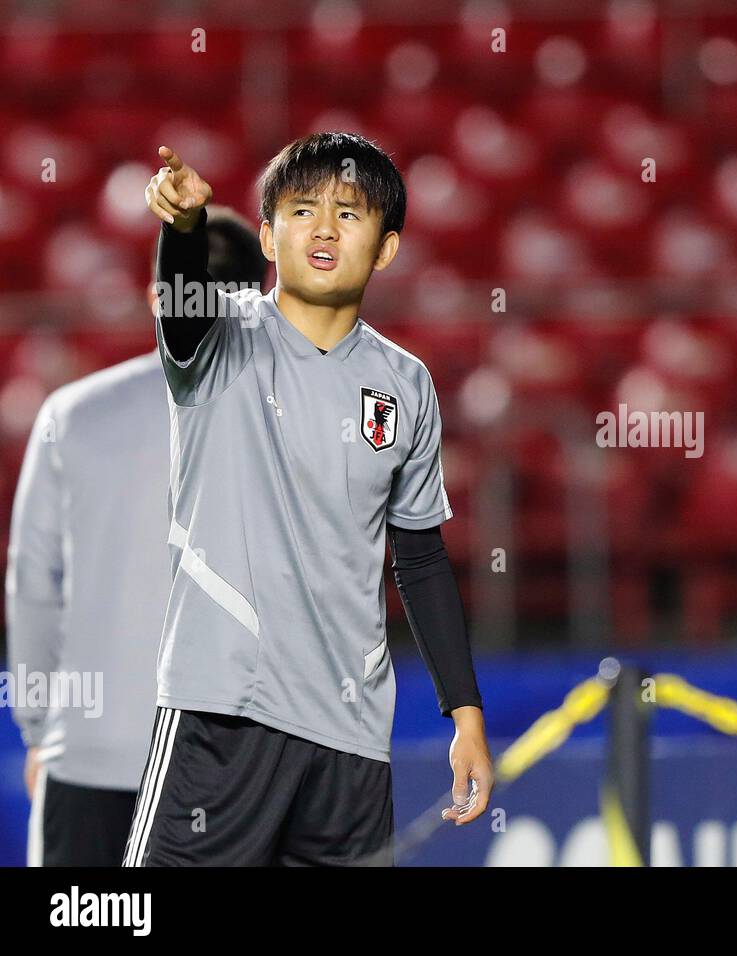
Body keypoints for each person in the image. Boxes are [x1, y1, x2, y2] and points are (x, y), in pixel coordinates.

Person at [125, 132, 492, 866]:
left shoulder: (407, 384)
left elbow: (418, 558)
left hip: (353, 742)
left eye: (350, 214)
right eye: (301, 209)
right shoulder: (218, 341)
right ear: (265, 234)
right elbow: (182, 309)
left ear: (386, 248)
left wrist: (467, 715)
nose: (323, 228)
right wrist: (186, 229)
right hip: (222, 714)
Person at [7, 210, 265, 866]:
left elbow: (32, 586)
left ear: (157, 294)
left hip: (90, 759)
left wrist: (41, 730)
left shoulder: (73, 415)